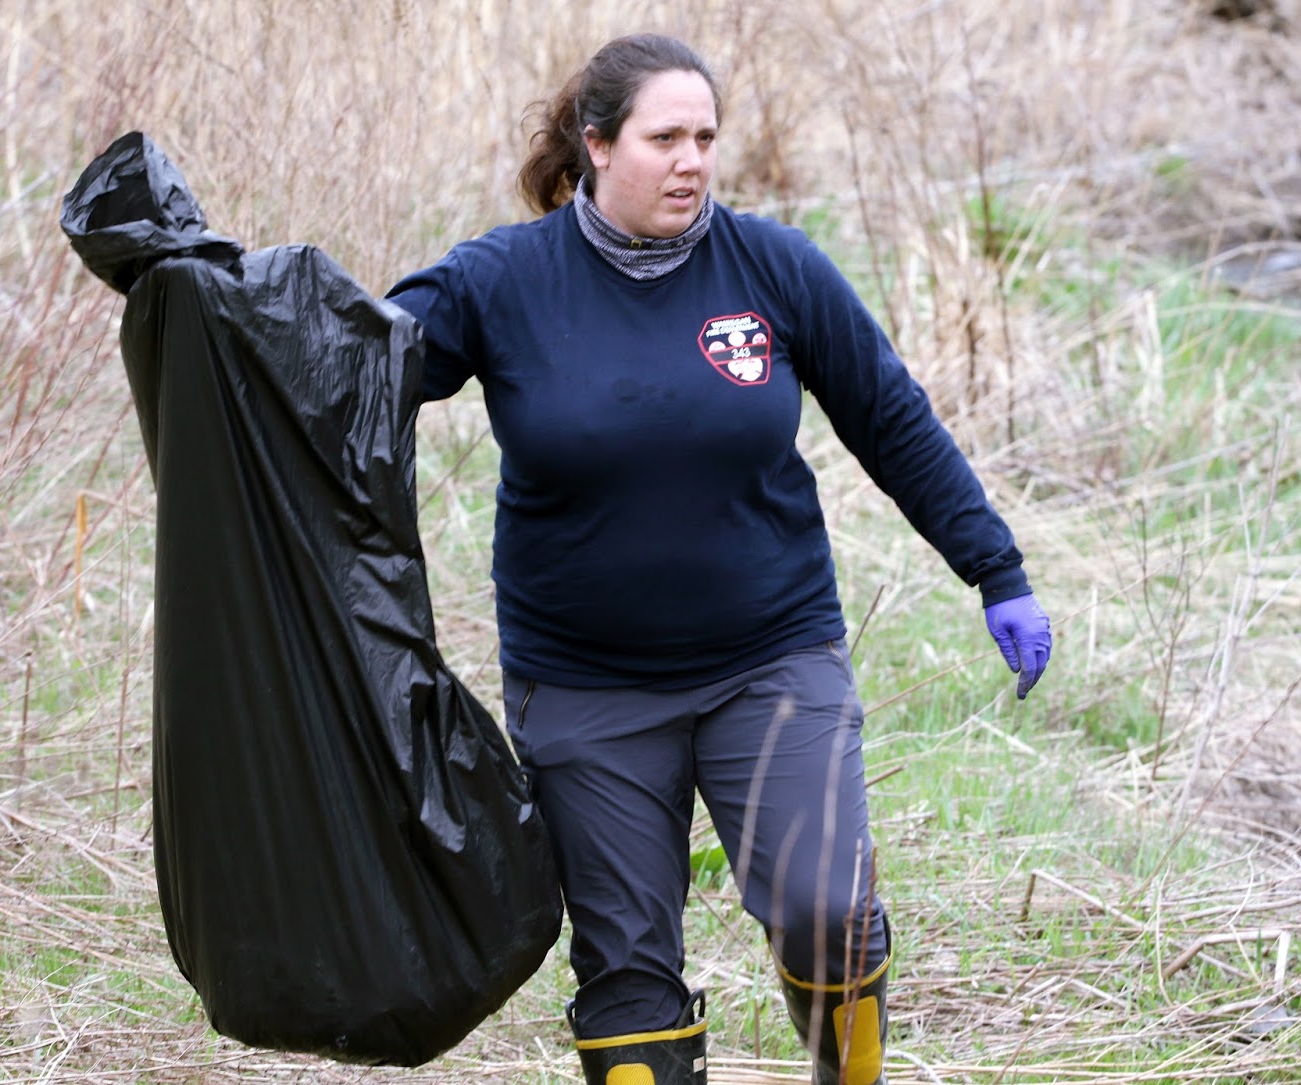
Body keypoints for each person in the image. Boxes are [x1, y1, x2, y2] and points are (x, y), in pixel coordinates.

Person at [386, 33, 1052, 1085]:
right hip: (586, 684)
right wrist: (225, 315)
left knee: (828, 915)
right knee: (626, 974)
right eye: (665, 138)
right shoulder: (500, 280)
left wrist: (995, 569)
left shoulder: (772, 267)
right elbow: (353, 366)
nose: (692, 159)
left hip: (771, 658)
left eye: (706, 136)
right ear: (596, 145)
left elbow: (891, 420)